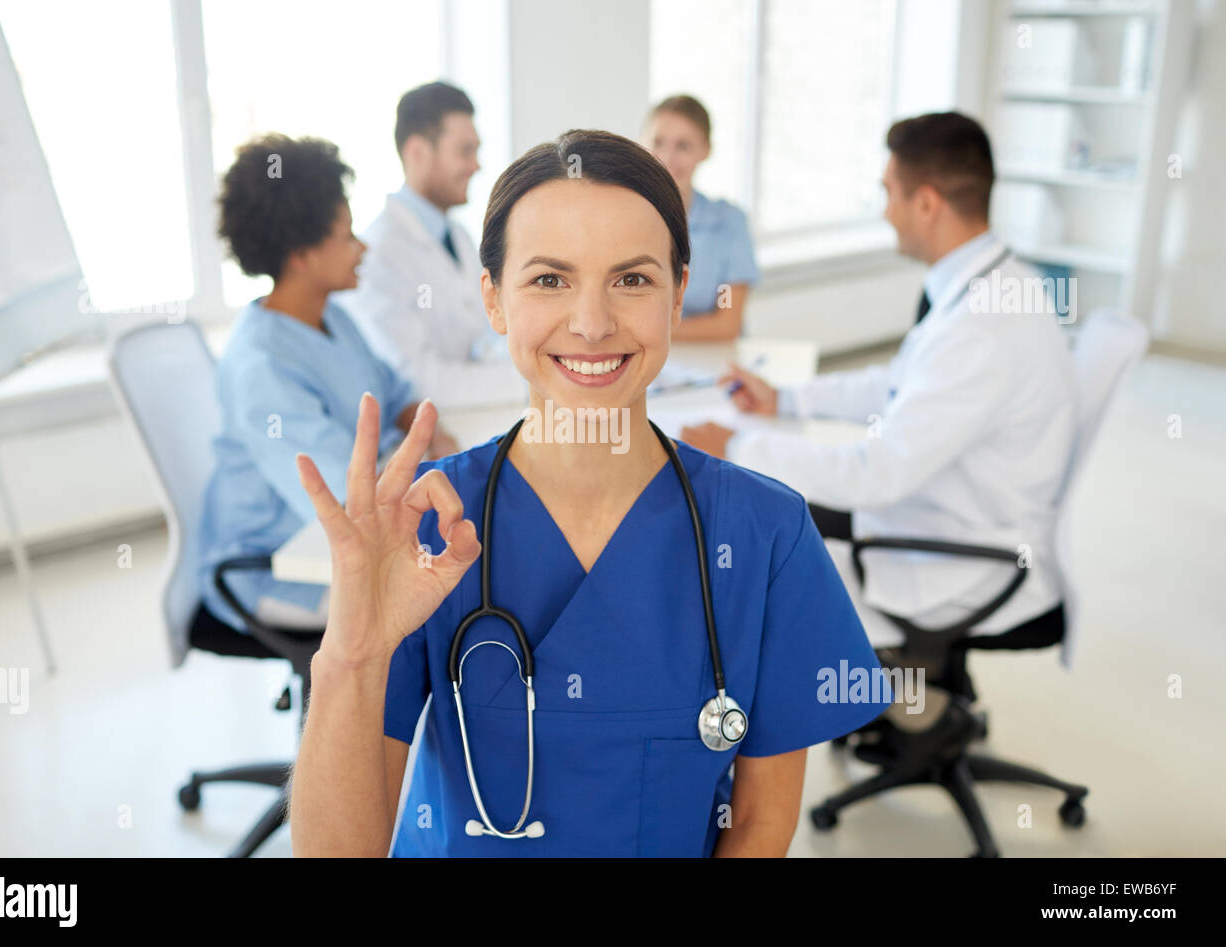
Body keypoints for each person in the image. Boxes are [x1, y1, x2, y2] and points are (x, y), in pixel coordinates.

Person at [288, 129, 890, 858]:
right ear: (494, 299)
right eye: (549, 279)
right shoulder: (428, 525)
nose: (593, 322)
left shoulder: (766, 534)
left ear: (678, 294)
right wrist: (352, 650)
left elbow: (761, 822)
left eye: (633, 279)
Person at [680, 112, 1077, 646]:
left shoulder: (983, 327)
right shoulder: (993, 284)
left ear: (928, 203)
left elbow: (876, 474)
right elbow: (898, 383)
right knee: (780, 505)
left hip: (960, 552)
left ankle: (892, 704)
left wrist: (739, 447)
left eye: (889, 192)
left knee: (752, 526)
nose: (885, 210)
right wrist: (788, 399)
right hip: (945, 509)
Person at [196, 133, 459, 634]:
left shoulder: (331, 318)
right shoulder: (263, 368)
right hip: (283, 566)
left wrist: (435, 439)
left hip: (346, 536)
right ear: (300, 255)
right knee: (448, 599)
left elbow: (395, 391)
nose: (362, 247)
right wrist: (435, 465)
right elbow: (348, 500)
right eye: (346, 236)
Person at [331, 81, 522, 409]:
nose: (476, 166)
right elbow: (415, 381)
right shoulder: (379, 254)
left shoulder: (457, 235)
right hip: (439, 427)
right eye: (465, 151)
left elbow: (488, 335)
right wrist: (529, 380)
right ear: (418, 153)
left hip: (482, 413)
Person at [643, 94, 759, 342]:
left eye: (683, 146)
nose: (668, 157)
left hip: (710, 360)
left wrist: (649, 332)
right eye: (658, 142)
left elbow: (726, 323)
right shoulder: (625, 222)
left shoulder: (728, 224)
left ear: (706, 150)